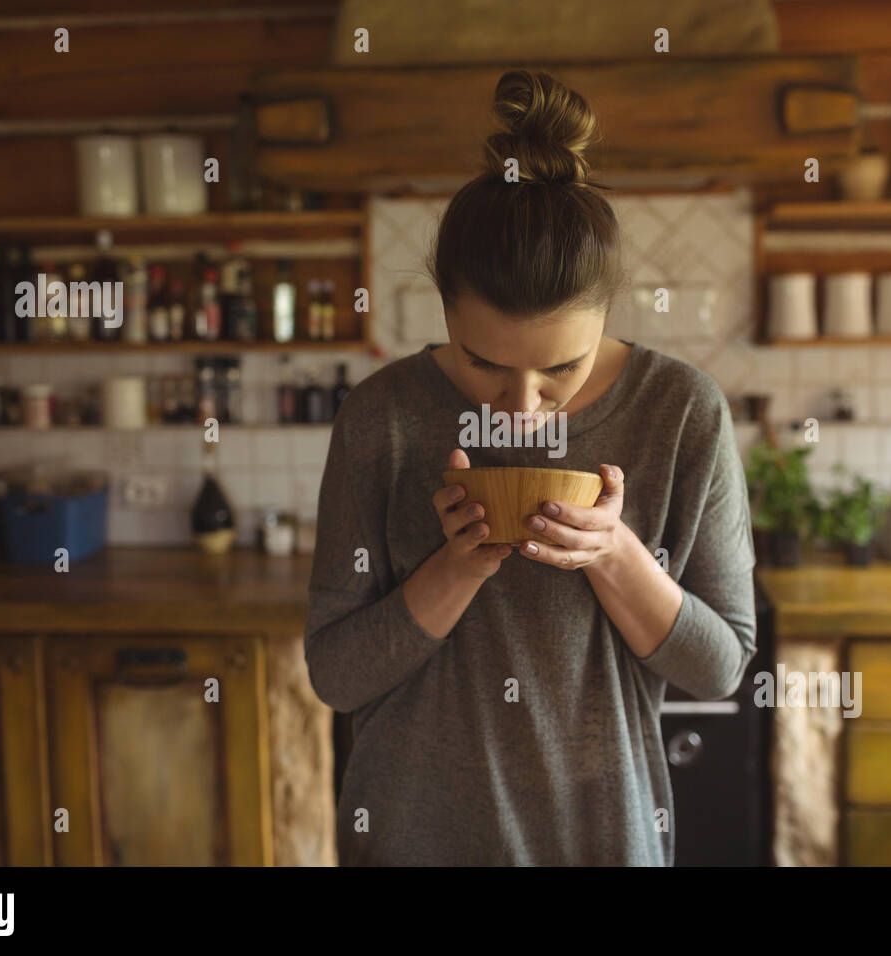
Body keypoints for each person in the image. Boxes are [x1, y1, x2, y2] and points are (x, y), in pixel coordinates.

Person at [304, 69, 757, 865]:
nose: (519, 408)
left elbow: (719, 669)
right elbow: (336, 676)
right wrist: (453, 570)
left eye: (560, 370)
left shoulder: (682, 413)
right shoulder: (382, 416)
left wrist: (613, 553)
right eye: (483, 365)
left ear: (607, 313)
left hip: (603, 838)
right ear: (443, 305)